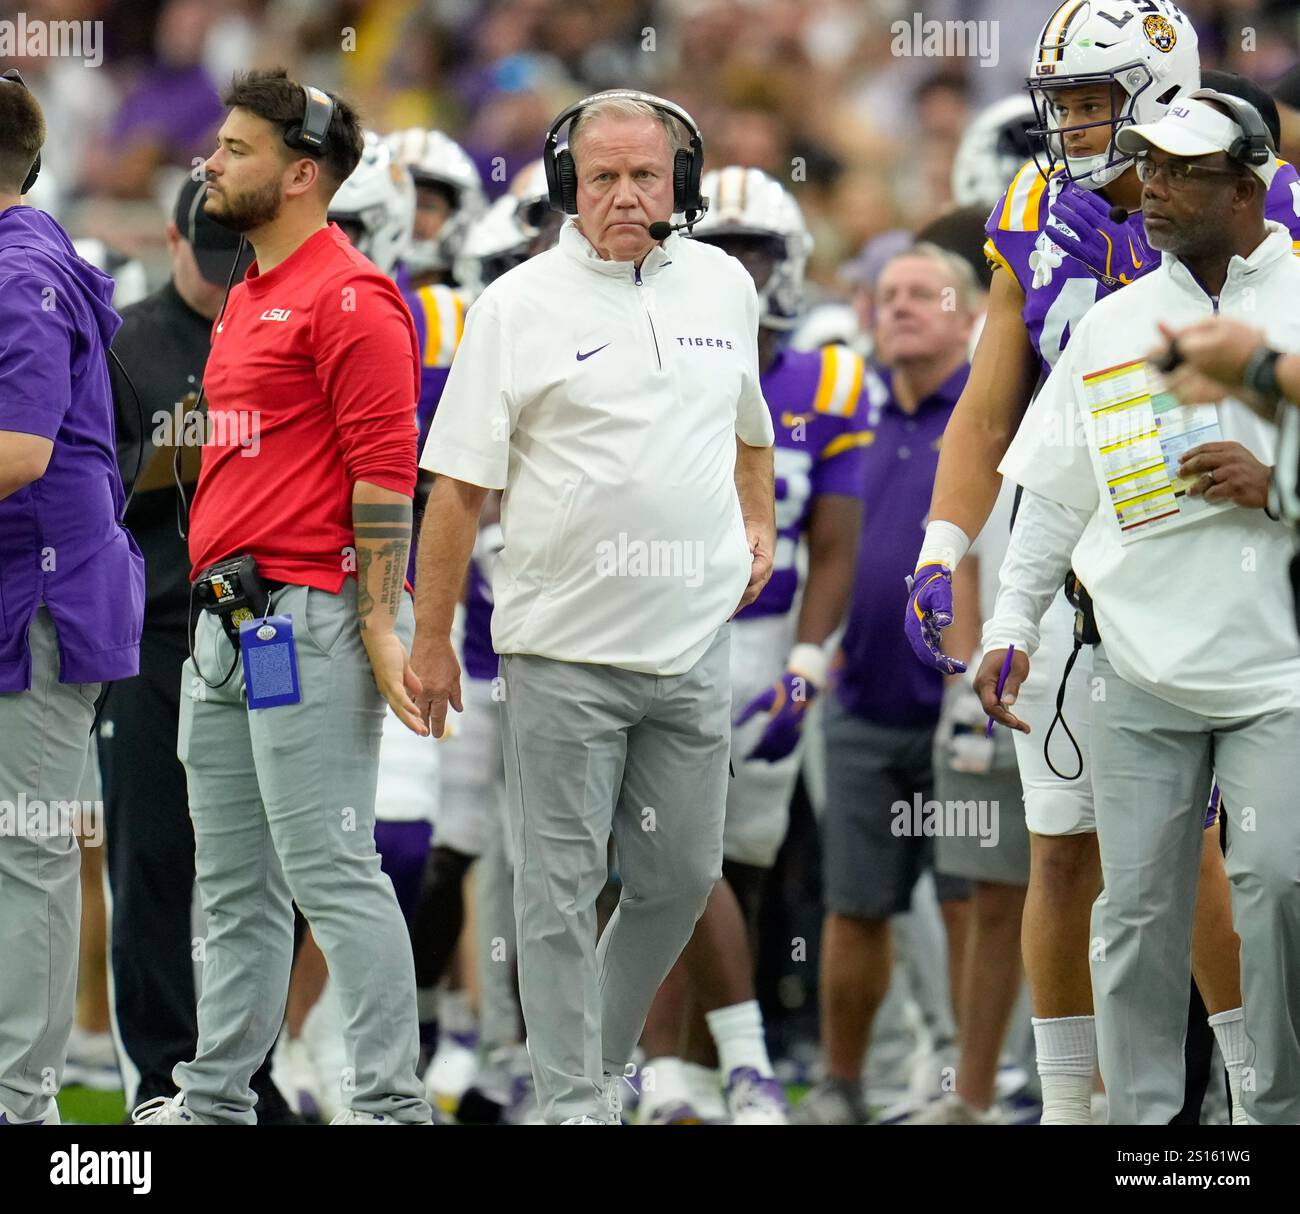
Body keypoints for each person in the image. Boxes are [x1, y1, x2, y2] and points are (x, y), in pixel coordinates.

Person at [902, 1, 1268, 1125]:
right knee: (1060, 849)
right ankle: (1072, 1107)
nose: (1068, 127)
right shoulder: (1032, 211)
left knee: (1206, 848)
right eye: (1058, 102)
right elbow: (987, 404)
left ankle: (1255, 1087)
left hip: (1224, 560)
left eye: (1091, 102)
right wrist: (942, 544)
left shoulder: (1267, 202)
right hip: (1069, 557)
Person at [410, 89, 776, 1125]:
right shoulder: (515, 304)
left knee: (678, 878)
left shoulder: (720, 287)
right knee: (557, 894)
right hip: (559, 652)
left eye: (644, 176)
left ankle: (590, 1065)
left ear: (681, 185)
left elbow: (750, 426)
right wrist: (433, 638)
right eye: (600, 176)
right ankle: (576, 1102)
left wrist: (761, 525)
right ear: (568, 184)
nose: (622, 195)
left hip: (693, 643)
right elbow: (456, 491)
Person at [976, 94, 1300, 1125]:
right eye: (1146, 167)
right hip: (1133, 669)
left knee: (1280, 886)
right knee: (1135, 913)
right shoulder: (1113, 324)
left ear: (1248, 187)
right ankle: (1143, 1133)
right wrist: (1007, 625)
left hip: (1278, 671)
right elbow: (1054, 496)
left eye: (1181, 171)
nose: (1151, 187)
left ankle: (1268, 1110)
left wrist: (1277, 484)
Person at [131, 69, 431, 1127]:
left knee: (331, 871)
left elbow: (387, 473)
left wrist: (379, 625)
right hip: (225, 625)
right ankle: (216, 1100)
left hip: (304, 616)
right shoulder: (253, 290)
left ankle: (393, 1105)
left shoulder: (352, 297)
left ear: (302, 174)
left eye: (236, 148)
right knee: (233, 883)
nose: (209, 162)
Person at [636, 165, 869, 1126]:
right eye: (721, 246)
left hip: (772, 643)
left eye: (756, 249)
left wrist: (808, 670)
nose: (739, 266)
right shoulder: (653, 358)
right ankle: (672, 1071)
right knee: (654, 863)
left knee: (743, 869)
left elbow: (837, 548)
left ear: (790, 262)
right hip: (663, 632)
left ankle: (693, 1073)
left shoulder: (829, 375)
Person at [96, 176, 304, 1120]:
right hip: (154, 635)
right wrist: (163, 470)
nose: (225, 285)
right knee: (153, 862)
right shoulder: (125, 344)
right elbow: (79, 490)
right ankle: (159, 1078)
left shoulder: (290, 324)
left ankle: (245, 1074)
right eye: (208, 264)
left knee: (273, 863)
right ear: (170, 243)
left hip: (265, 630)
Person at [794, 244, 976, 1126]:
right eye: (886, 295)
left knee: (970, 900)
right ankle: (842, 1084)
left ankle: (978, 1086)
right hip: (860, 698)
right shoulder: (854, 414)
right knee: (853, 905)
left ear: (970, 313)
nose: (899, 307)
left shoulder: (991, 410)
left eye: (921, 294)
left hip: (965, 707)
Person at [0, 69, 144, 1125]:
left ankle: (27, 1105)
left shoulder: (17, 272)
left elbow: (18, 450)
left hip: (36, 602)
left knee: (27, 852)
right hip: (28, 588)